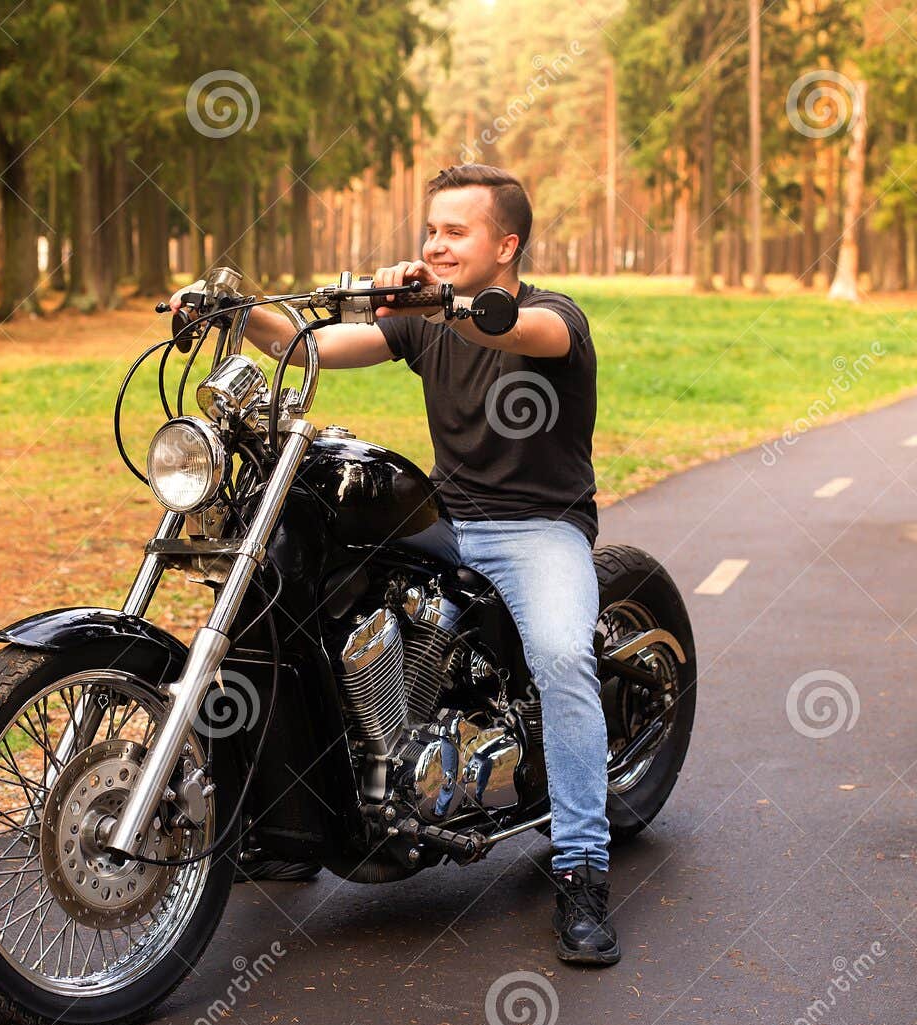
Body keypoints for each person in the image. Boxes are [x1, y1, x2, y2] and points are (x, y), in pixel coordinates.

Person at [170, 164, 618, 966]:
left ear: (506, 245)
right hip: (445, 519)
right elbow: (315, 345)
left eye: (456, 232)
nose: (436, 244)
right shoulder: (424, 321)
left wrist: (437, 303)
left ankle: (582, 865)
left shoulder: (553, 317)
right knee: (304, 607)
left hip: (537, 529)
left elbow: (516, 332)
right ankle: (295, 821)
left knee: (561, 655)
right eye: (432, 230)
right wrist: (232, 310)